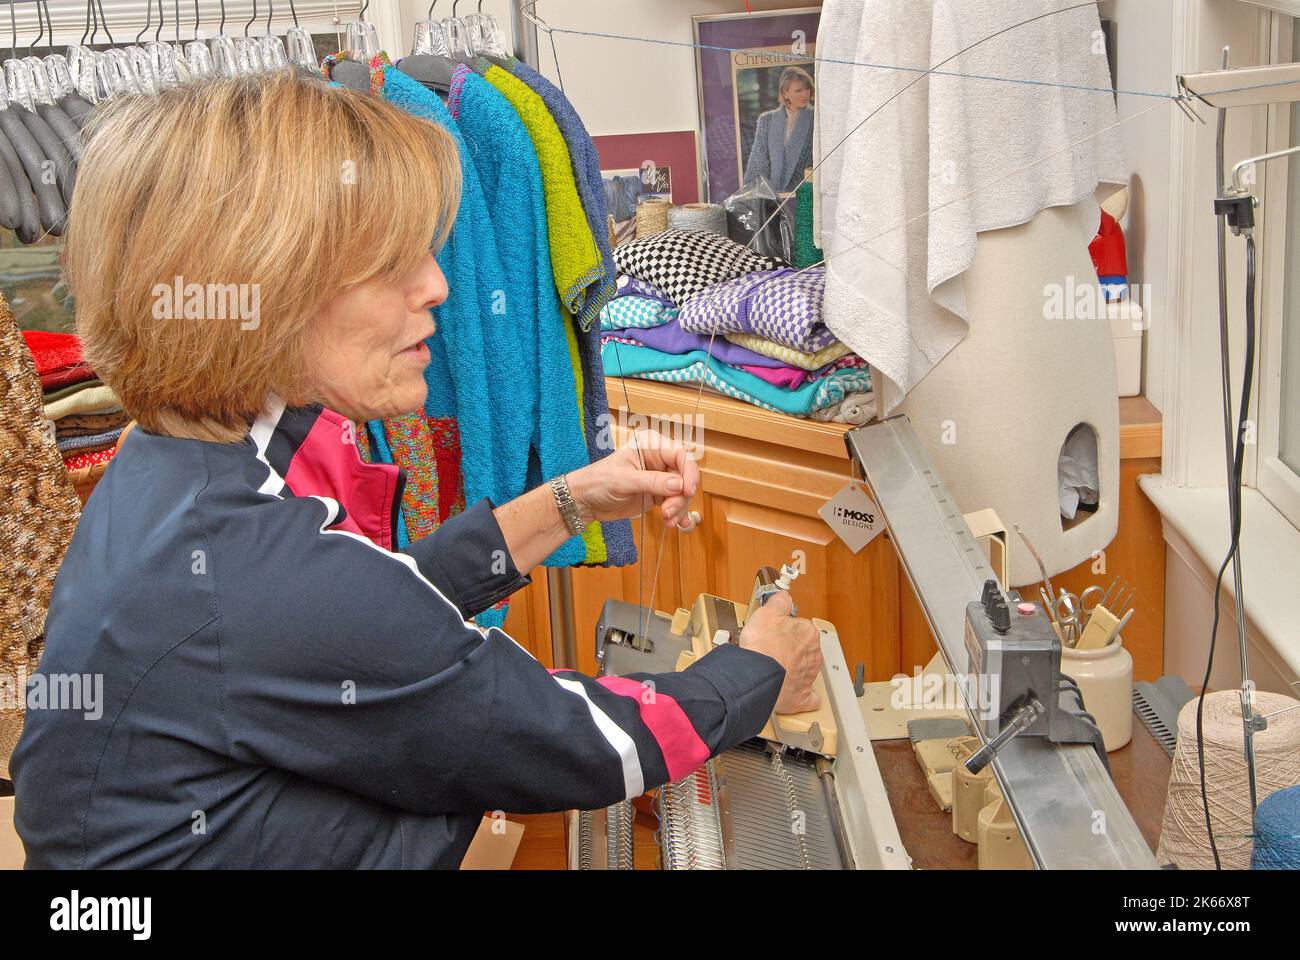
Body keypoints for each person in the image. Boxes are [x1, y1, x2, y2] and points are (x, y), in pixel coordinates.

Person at [9, 73, 823, 869]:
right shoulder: (256, 569)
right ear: (265, 291)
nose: (437, 285)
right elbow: (579, 742)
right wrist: (757, 669)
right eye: (388, 264)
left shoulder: (175, 461)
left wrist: (572, 500)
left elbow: (378, 610)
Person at [743, 65, 815, 194]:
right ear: (785, 93)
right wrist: (757, 195)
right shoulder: (767, 120)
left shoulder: (816, 119)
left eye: (807, 89)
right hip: (773, 198)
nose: (805, 94)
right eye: (798, 90)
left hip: (805, 196)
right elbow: (758, 162)